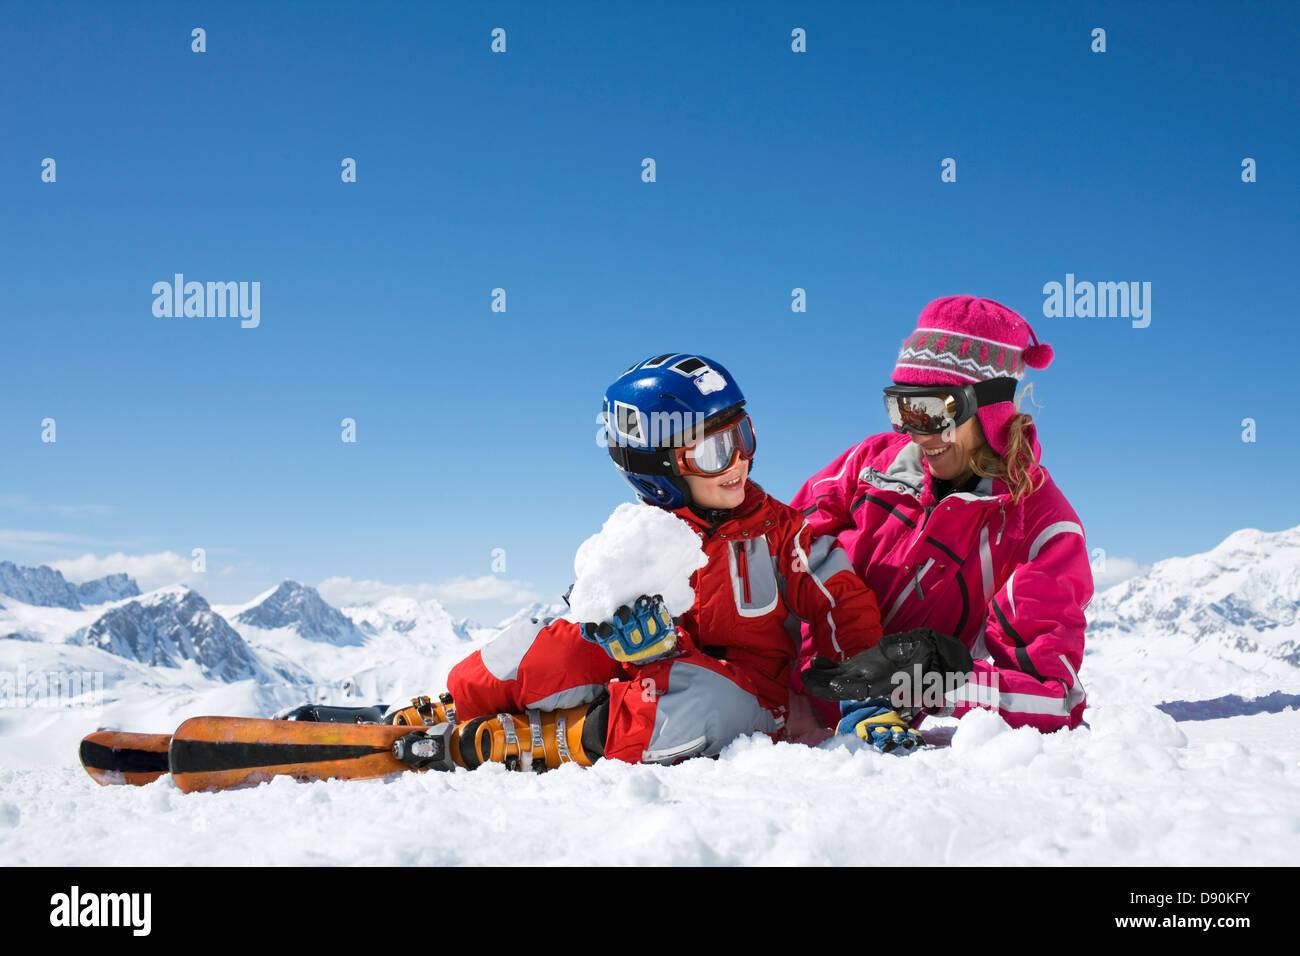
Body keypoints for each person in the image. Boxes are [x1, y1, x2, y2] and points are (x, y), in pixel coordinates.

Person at [420, 353, 884, 771]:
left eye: (743, 437)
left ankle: (554, 737)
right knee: (551, 648)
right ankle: (454, 705)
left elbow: (843, 603)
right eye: (714, 451)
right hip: (646, 672)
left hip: (750, 697)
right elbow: (590, 617)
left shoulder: (783, 533)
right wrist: (614, 629)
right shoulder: (643, 537)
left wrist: (865, 698)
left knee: (695, 706)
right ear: (658, 471)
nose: (738, 462)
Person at [792, 296, 1091, 737]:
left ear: (988, 407)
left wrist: (937, 680)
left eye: (931, 412)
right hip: (772, 689)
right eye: (902, 408)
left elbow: (1055, 699)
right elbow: (779, 541)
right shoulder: (872, 462)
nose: (915, 434)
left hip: (861, 731)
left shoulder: (1041, 529)